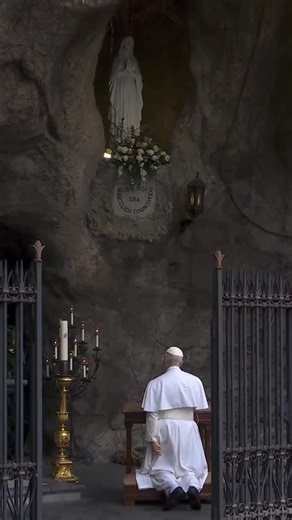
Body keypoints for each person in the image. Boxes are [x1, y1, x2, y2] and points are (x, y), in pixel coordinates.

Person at [136, 346, 209, 511]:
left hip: (164, 429)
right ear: (181, 362)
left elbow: (152, 414)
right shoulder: (195, 381)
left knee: (160, 466)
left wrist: (152, 439)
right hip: (188, 429)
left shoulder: (155, 383)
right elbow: (200, 408)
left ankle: (173, 488)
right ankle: (192, 487)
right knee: (189, 467)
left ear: (165, 361)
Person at [108, 36, 143, 139]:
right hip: (120, 92)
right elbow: (112, 79)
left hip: (131, 93)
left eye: (130, 44)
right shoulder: (117, 60)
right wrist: (123, 71)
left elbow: (138, 78)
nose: (128, 45)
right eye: (127, 43)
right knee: (120, 114)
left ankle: (130, 139)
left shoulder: (134, 61)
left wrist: (131, 72)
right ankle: (119, 141)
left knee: (130, 115)